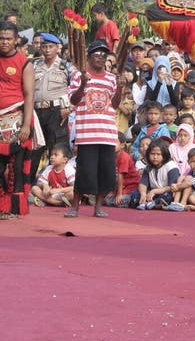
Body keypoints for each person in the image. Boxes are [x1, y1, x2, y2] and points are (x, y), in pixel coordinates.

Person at [64, 39, 123, 218]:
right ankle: (75, 206)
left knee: (105, 173)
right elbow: (73, 101)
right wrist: (83, 83)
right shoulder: (78, 75)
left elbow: (115, 104)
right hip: (86, 132)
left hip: (107, 132)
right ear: (89, 56)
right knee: (85, 172)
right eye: (97, 54)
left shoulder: (112, 78)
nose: (100, 58)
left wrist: (120, 87)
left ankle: (98, 207)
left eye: (104, 55)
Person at [0, 20, 35, 218]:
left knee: (16, 168)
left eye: (8, 39)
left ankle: (13, 208)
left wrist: (26, 125)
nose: (4, 42)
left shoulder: (24, 62)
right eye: (1, 38)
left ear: (15, 41)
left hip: (16, 118)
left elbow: (29, 94)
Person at [30, 32, 72, 181]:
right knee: (35, 148)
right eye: (44, 46)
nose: (47, 49)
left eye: (50, 46)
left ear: (57, 48)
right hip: (37, 111)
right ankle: (29, 184)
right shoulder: (35, 65)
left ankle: (57, 183)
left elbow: (75, 88)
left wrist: (67, 107)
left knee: (56, 149)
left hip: (57, 111)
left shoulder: (65, 66)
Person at [137, 140, 180, 209]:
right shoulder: (148, 167)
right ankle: (148, 203)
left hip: (165, 192)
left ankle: (152, 204)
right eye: (152, 154)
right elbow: (143, 183)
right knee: (135, 194)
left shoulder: (171, 166)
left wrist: (155, 191)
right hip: (152, 193)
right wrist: (143, 193)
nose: (155, 157)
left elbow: (172, 187)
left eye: (158, 154)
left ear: (164, 154)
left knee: (168, 196)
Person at [104, 134, 141, 207]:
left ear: (122, 145)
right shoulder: (110, 156)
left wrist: (119, 194)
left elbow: (121, 176)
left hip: (131, 187)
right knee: (107, 199)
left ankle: (133, 199)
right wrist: (112, 191)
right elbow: (112, 175)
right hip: (119, 187)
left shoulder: (124, 157)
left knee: (119, 201)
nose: (112, 145)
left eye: (114, 142)